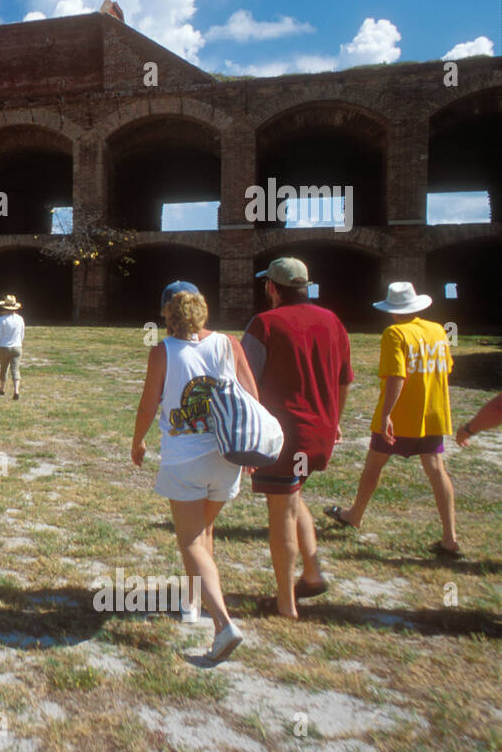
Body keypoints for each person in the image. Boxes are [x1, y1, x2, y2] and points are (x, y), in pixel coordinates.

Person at [132, 282, 256, 662]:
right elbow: (253, 396)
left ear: (167, 313)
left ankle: (223, 623)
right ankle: (192, 601)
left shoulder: (162, 352)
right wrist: (252, 448)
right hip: (227, 456)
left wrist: (137, 441)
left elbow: (149, 404)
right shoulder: (230, 344)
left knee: (189, 539)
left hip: (185, 459)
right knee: (204, 533)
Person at [242, 258, 352, 619]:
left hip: (282, 437)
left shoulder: (264, 324)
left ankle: (285, 603)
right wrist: (334, 420)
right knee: (293, 496)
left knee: (280, 514)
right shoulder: (333, 320)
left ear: (272, 287)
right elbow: (344, 379)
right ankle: (312, 573)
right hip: (319, 433)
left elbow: (244, 383)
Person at [325, 283, 460, 557]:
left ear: (392, 310)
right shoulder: (436, 329)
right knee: (436, 469)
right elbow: (446, 367)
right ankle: (450, 536)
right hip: (432, 412)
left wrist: (387, 413)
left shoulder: (394, 333)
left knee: (374, 465)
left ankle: (355, 515)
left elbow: (397, 376)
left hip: (401, 416)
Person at [0, 294, 26, 400]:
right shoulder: (20, 319)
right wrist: (19, 343)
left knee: (4, 369)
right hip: (17, 347)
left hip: (4, 347)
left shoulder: (2, 319)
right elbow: (22, 334)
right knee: (15, 369)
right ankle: (16, 391)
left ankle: (1, 389)